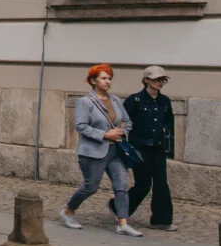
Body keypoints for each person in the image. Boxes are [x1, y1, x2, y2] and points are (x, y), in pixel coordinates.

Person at [59, 63, 142, 235]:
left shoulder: (116, 101)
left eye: (110, 78)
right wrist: (105, 134)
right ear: (93, 81)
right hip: (93, 152)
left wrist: (121, 131)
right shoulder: (85, 102)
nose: (108, 82)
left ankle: (123, 223)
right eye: (104, 78)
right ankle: (67, 211)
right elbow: (81, 126)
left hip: (116, 152)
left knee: (122, 186)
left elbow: (127, 121)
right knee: (90, 187)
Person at [120, 64, 175, 230]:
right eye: (156, 79)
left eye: (162, 79)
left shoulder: (164, 101)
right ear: (146, 80)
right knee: (143, 185)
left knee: (161, 183)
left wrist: (168, 148)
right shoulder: (135, 100)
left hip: (157, 148)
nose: (160, 82)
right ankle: (118, 207)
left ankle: (161, 220)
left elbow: (169, 125)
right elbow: (123, 122)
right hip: (140, 147)